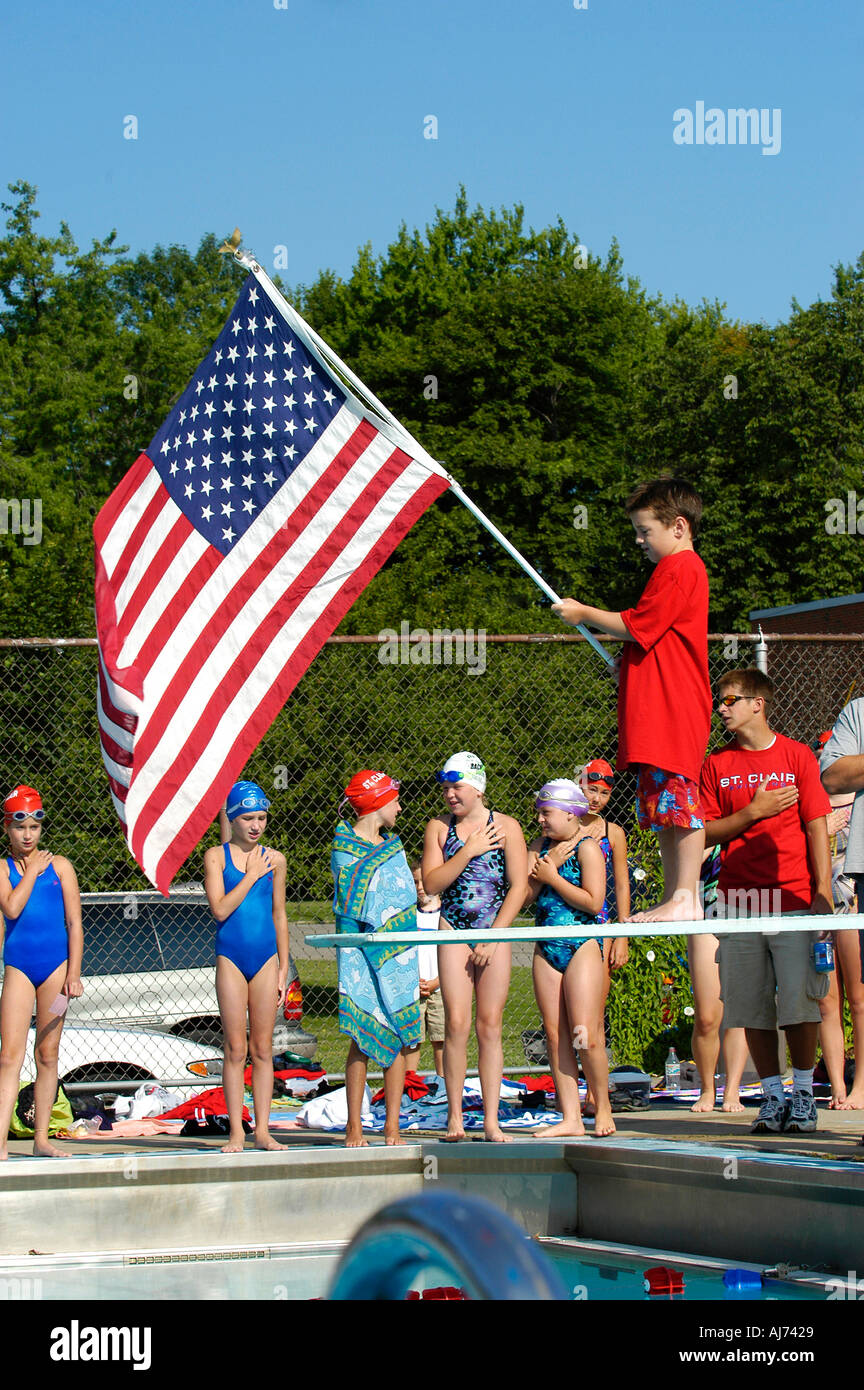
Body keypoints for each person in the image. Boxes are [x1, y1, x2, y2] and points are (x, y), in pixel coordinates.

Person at [553, 478, 711, 922]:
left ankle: (687, 895)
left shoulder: (683, 567)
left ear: (678, 527)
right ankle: (675, 895)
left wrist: (583, 613)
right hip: (656, 713)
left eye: (645, 531)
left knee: (681, 800)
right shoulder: (669, 571)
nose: (639, 540)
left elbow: (639, 623)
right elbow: (656, 638)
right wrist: (630, 664)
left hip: (674, 710)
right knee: (663, 808)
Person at [699, 669, 833, 1134]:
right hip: (739, 902)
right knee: (750, 1005)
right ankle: (772, 1099)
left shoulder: (797, 755)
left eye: (730, 700)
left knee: (799, 1002)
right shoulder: (717, 764)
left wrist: (821, 892)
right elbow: (702, 835)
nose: (722, 708)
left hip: (794, 897)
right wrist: (753, 812)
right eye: (720, 701)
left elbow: (817, 823)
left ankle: (802, 1096)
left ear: (758, 703)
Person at [422, 751, 528, 1142]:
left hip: (494, 933)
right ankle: (454, 1118)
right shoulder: (438, 828)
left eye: (457, 787)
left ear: (478, 788)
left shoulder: (507, 827)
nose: (450, 795)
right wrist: (467, 850)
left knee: (490, 1026)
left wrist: (495, 936)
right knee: (456, 1024)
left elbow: (518, 887)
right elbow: (432, 884)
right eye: (446, 788)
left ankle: (490, 1120)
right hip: (452, 932)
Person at [331, 771, 420, 1146]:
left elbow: (403, 896)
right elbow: (353, 898)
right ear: (377, 802)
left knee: (398, 1036)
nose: (400, 807)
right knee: (362, 1037)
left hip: (397, 953)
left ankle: (392, 1127)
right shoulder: (343, 847)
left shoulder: (394, 846)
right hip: (358, 954)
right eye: (395, 800)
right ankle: (354, 1126)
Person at [526, 779, 615, 1137]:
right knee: (555, 1034)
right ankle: (570, 1117)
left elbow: (594, 902)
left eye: (546, 814)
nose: (541, 821)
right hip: (546, 943)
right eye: (539, 814)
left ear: (569, 812)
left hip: (582, 943)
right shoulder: (538, 847)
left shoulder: (588, 848)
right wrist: (543, 869)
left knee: (584, 1033)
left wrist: (553, 876)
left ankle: (602, 1107)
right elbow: (525, 897)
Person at [204, 781, 289, 1153]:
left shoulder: (277, 859)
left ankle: (263, 1131)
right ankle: (237, 1131)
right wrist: (251, 875)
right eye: (248, 818)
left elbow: (280, 915)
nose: (256, 825)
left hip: (266, 958)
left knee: (263, 1049)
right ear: (232, 819)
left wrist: (284, 968)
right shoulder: (216, 857)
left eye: (261, 818)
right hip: (231, 959)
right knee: (235, 1048)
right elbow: (220, 909)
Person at [0, 785, 83, 1160]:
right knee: (9, 1057)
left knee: (48, 1054)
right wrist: (31, 871)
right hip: (19, 968)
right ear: (7, 829)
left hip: (57, 972)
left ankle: (41, 1139)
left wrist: (75, 973)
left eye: (34, 826)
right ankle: (0, 1143)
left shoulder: (62, 866)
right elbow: (13, 909)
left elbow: (75, 923)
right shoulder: (2, 869)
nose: (28, 834)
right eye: (20, 828)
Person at [819, 705, 864, 1108]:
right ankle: (836, 1084)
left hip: (850, 902)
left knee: (859, 996)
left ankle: (861, 1082)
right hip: (822, 906)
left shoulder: (855, 801)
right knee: (826, 999)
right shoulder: (814, 801)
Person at [404, 864, 445, 1078]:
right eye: (415, 882)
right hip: (413, 989)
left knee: (442, 1039)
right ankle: (409, 1084)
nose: (420, 887)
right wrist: (413, 982)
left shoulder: (446, 915)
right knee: (412, 1041)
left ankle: (444, 1085)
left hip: (441, 988)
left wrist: (438, 981)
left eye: (424, 881)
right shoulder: (408, 917)